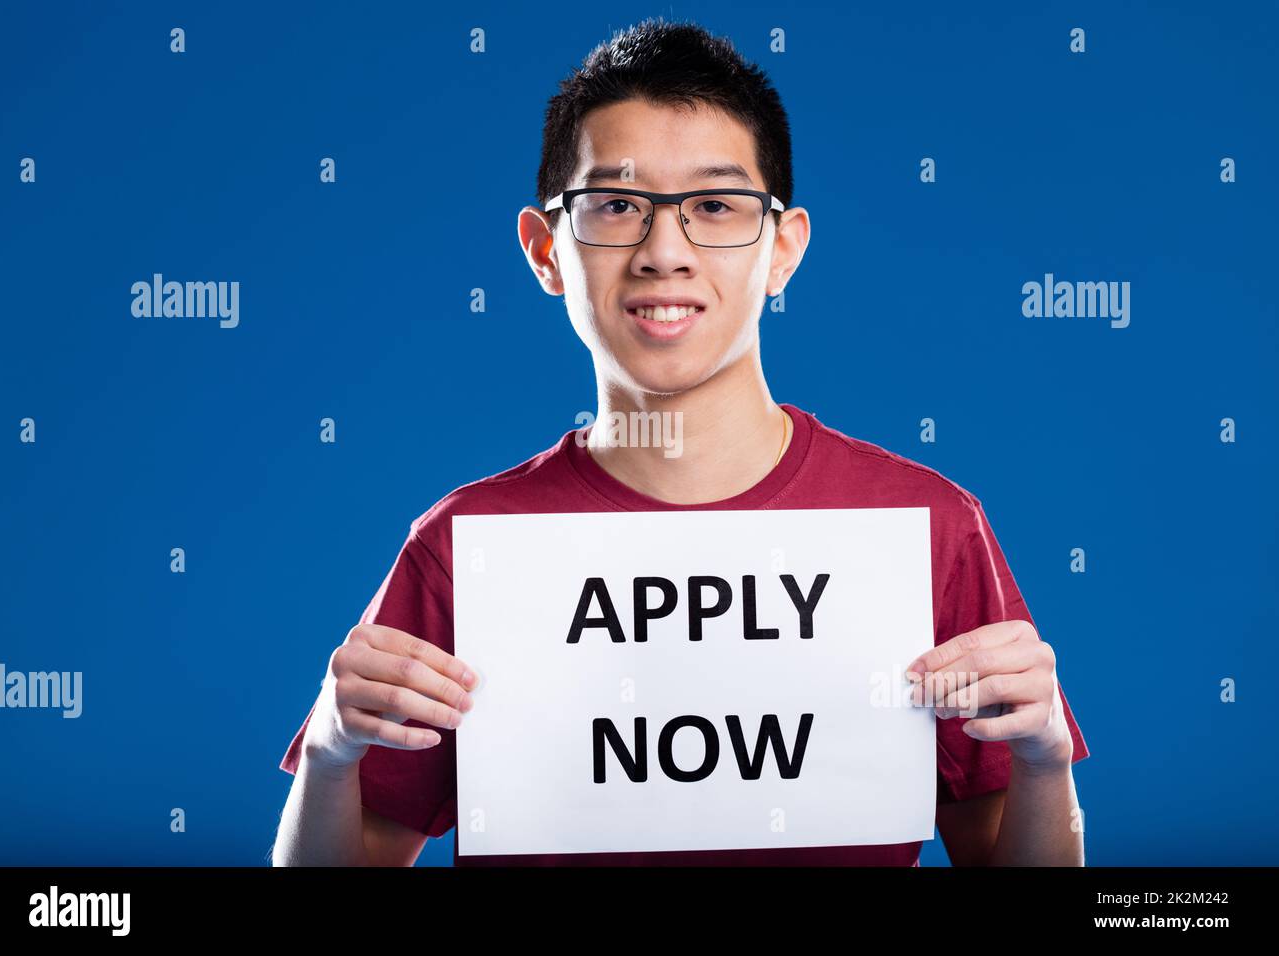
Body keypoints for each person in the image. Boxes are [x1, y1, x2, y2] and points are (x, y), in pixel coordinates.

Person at [272, 17, 1090, 867]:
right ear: (546, 252)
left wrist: (1043, 760)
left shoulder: (927, 527)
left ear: (783, 250)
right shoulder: (467, 548)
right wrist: (331, 755)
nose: (666, 252)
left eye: (715, 206)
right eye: (616, 205)